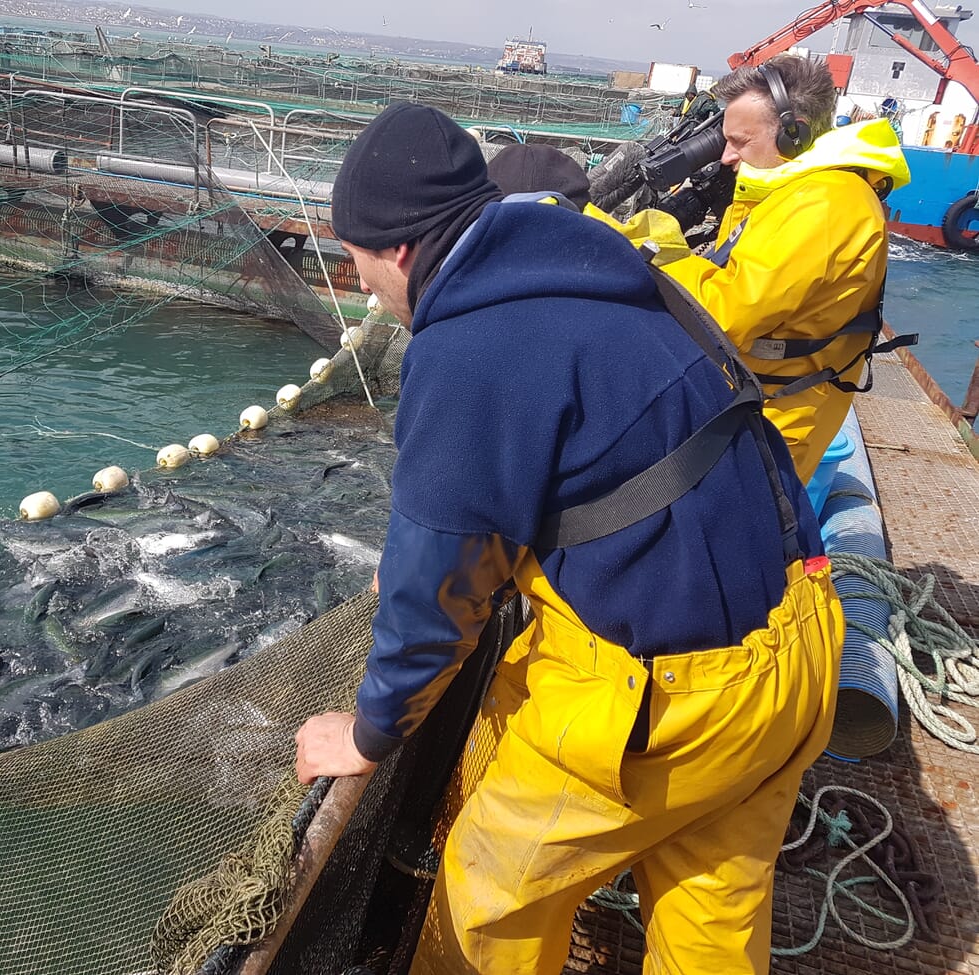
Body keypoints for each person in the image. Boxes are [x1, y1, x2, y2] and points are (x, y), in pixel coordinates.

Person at [295, 102, 842, 975]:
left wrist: (367, 733)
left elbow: (436, 587)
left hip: (669, 707)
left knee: (487, 905)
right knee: (711, 925)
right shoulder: (609, 267)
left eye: (356, 262)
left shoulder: (465, 348)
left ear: (399, 250)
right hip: (801, 641)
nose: (360, 286)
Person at [658, 56, 911, 482]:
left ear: (794, 133)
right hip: (758, 402)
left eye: (740, 140)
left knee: (742, 540)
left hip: (774, 423)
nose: (726, 156)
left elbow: (720, 317)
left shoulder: (823, 205)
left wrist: (651, 253)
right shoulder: (801, 190)